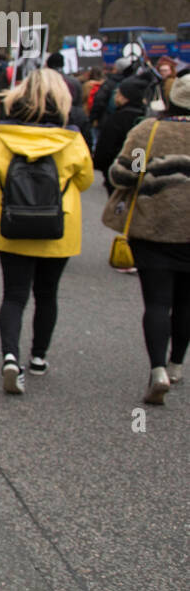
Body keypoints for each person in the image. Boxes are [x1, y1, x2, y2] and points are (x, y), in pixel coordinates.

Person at [0, 69, 93, 394]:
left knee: (13, 294)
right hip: (58, 226)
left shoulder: (0, 136)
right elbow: (85, 181)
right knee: (47, 294)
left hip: (11, 224)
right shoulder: (72, 138)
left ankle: (11, 356)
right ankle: (38, 356)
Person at [103, 73, 190, 405]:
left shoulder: (149, 131)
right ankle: (178, 363)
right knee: (186, 301)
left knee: (157, 302)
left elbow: (126, 173)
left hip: (153, 228)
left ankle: (157, 371)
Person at [94, 77, 149, 195]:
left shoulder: (117, 118)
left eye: (118, 93)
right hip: (140, 170)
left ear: (125, 97)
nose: (115, 96)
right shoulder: (146, 119)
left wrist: (103, 166)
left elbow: (104, 149)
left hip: (117, 171)